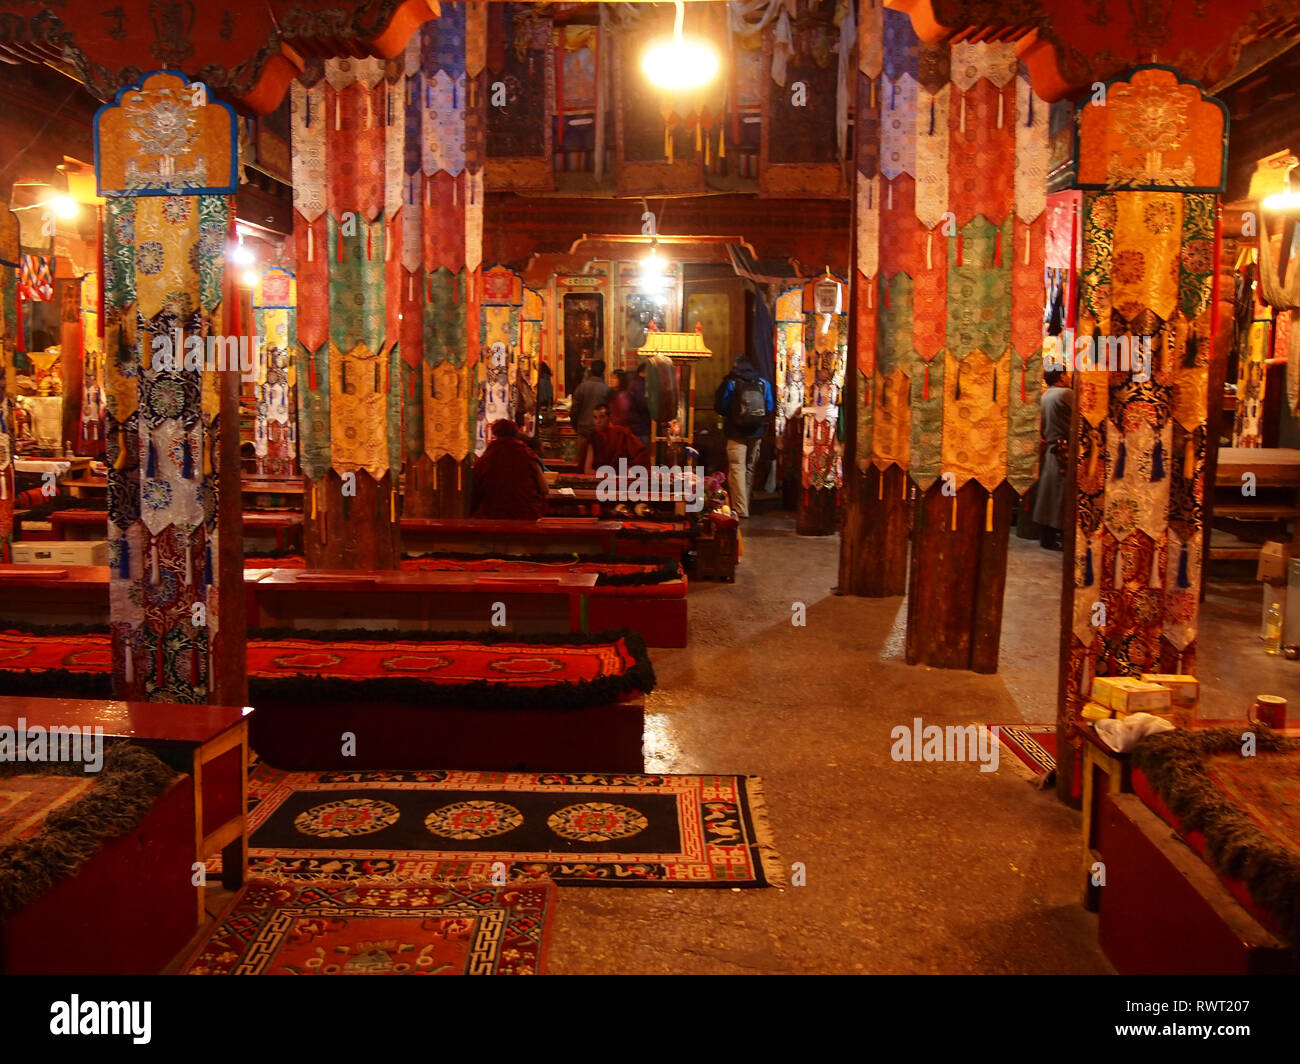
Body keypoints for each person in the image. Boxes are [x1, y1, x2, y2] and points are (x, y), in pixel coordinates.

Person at [714, 354, 774, 519]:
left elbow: (721, 406)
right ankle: (745, 504)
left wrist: (735, 415)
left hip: (736, 432)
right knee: (749, 468)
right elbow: (769, 406)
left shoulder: (731, 382)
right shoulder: (763, 383)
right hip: (757, 432)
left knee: (737, 468)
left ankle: (741, 509)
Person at [472, 418, 549, 520]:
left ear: (496, 434)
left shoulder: (488, 456)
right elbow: (544, 488)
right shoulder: (527, 454)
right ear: (516, 433)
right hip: (526, 516)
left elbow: (476, 487)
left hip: (492, 516)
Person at [1032, 368, 1073, 550]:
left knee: (1048, 495)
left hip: (1051, 448)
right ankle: (1065, 537)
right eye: (1067, 373)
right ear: (1061, 376)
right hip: (1065, 451)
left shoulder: (1045, 395)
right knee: (1062, 497)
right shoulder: (1066, 394)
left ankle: (1046, 538)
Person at [578, 402, 650, 474]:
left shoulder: (621, 433)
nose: (598, 421)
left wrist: (630, 469)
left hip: (621, 476)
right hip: (601, 477)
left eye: (602, 417)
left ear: (609, 417)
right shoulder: (592, 438)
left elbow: (640, 453)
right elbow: (587, 469)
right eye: (595, 417)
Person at [569, 359, 613, 438]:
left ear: (591, 372)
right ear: (603, 373)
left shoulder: (581, 387)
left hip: (583, 429)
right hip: (601, 432)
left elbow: (574, 410)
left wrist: (576, 426)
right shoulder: (606, 390)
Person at [625, 362, 652, 445]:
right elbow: (643, 404)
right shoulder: (640, 385)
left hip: (635, 426)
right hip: (640, 428)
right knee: (639, 453)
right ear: (643, 372)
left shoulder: (634, 383)